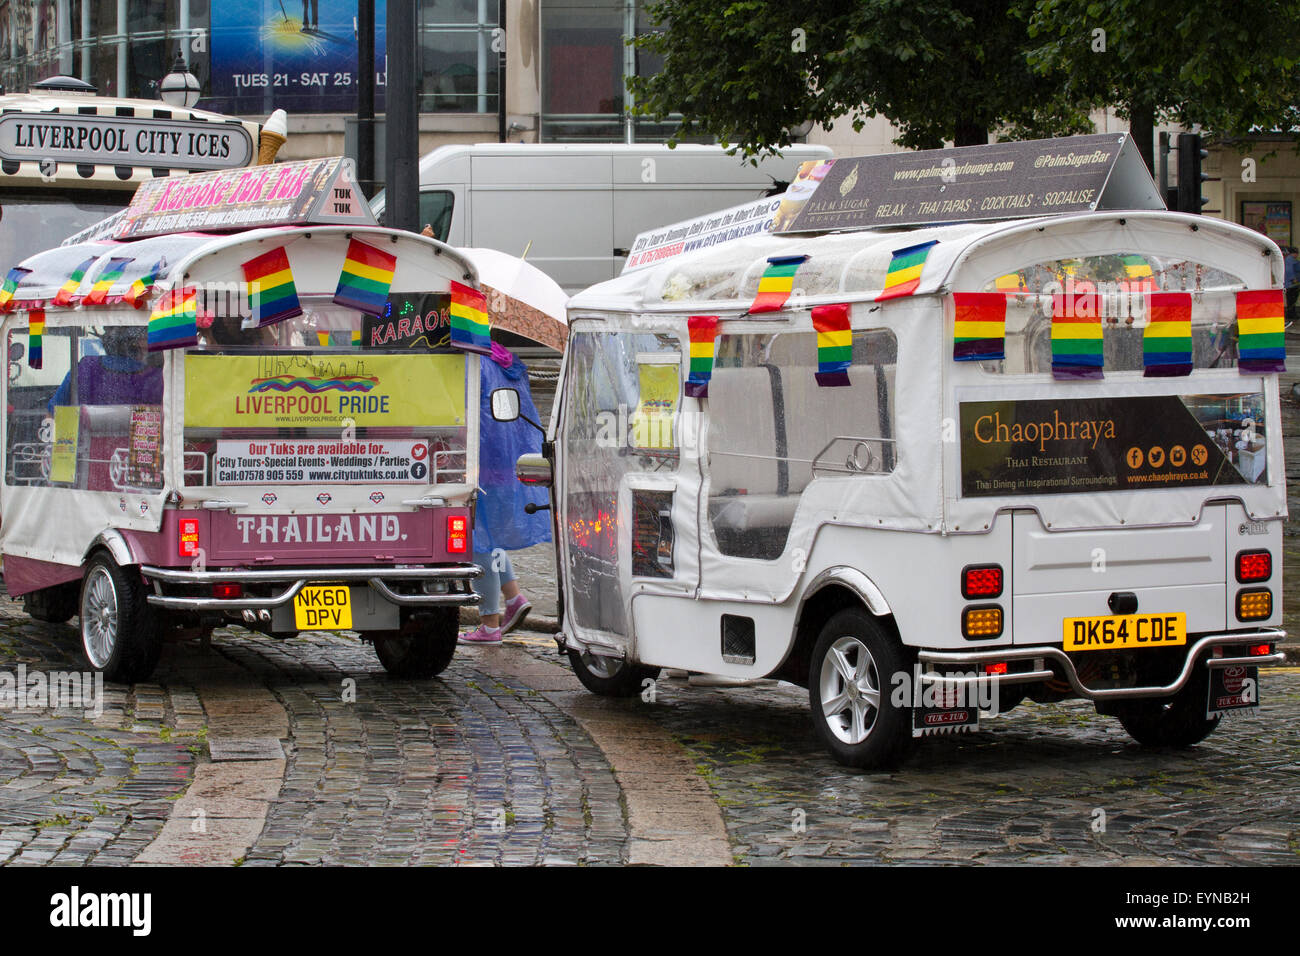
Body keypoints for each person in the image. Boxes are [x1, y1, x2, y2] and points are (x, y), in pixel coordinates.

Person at [459, 343, 552, 644]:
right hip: (509, 462)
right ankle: (513, 598)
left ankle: (489, 624)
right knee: (491, 536)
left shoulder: (473, 363)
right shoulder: (504, 359)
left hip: (481, 462)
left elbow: (467, 412)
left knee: (478, 541)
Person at [49, 326, 162, 411]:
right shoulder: (155, 377)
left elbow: (52, 413)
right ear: (137, 345)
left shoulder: (84, 367)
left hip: (83, 441)